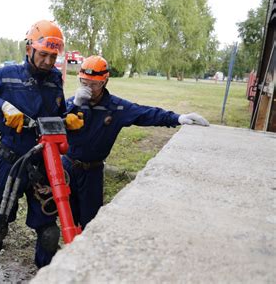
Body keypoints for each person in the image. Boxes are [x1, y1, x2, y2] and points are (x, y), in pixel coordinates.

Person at [0, 20, 84, 283]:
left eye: (53, 56)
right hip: (10, 162)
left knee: (49, 232)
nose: (49, 61)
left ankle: (45, 275)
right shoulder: (7, 75)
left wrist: (70, 117)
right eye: (44, 54)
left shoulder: (54, 80)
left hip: (44, 164)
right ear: (29, 48)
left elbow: (56, 113)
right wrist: (1, 105)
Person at [63, 55, 209, 230]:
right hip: (67, 167)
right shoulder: (72, 103)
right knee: (66, 217)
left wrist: (178, 118)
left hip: (92, 172)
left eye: (93, 84)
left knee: (90, 221)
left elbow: (145, 113)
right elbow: (54, 123)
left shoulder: (116, 108)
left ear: (104, 82)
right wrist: (75, 105)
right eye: (84, 82)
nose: (88, 88)